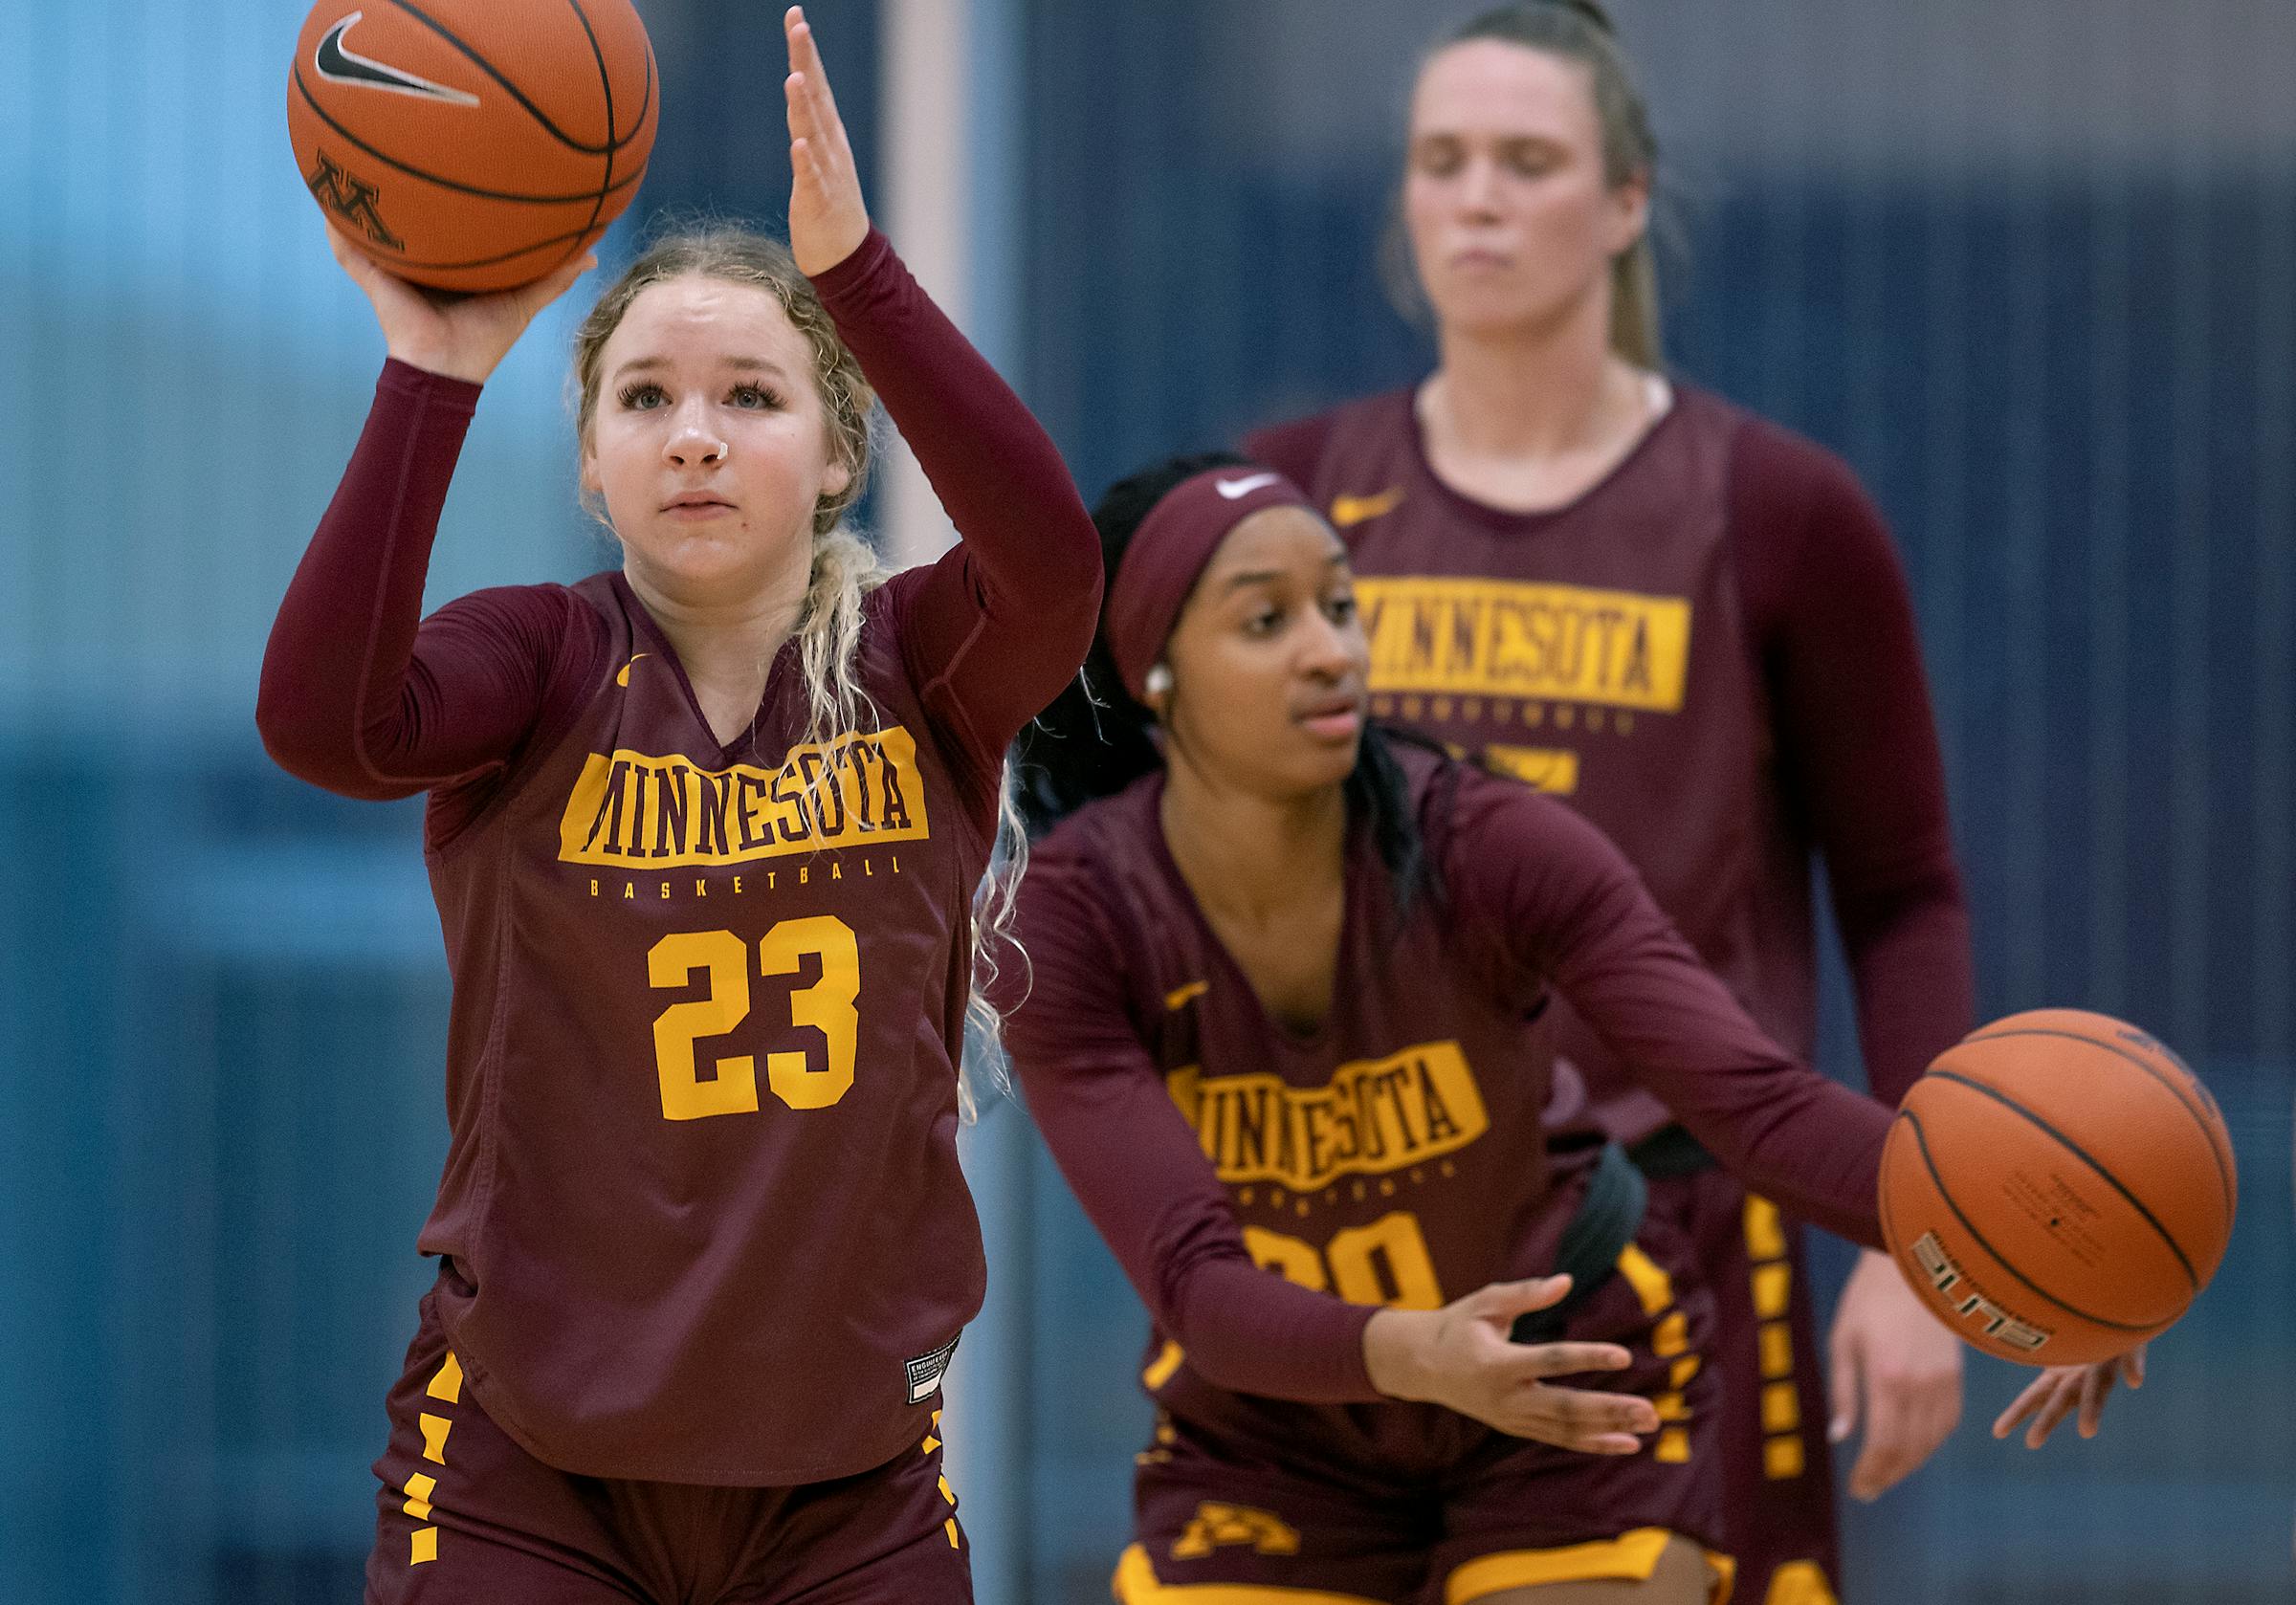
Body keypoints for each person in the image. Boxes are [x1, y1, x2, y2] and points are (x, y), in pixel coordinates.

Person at [256, 11, 1098, 1602]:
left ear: (841, 444)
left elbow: (1056, 564)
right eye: (643, 398)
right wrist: (434, 364)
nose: (695, 434)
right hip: (524, 1467)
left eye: (752, 397)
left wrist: (860, 278)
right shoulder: (540, 658)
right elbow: (319, 724)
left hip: (845, 1490)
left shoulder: (922, 666)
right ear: (590, 460)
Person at [1004, 461, 2133, 1604]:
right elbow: (1195, 1285)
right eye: (1266, 620)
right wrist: (1415, 1353)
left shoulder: (1488, 843)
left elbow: (1756, 1102)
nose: (1330, 650)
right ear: (1153, 677)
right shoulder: (1073, 924)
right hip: (1277, 1417)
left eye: (1341, 606)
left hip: (1563, 1365)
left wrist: (2026, 1248)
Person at [1245, 6, 1971, 1596]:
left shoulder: (1777, 512)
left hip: (1687, 1251)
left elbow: (1905, 893)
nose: (1479, 197)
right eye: (1442, 161)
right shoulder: (1286, 499)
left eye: (1529, 160)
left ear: (1627, 200)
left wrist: (1932, 1245)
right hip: (1361, 1254)